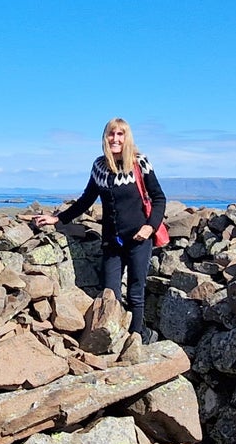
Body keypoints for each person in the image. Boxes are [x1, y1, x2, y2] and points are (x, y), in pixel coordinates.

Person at [34, 118, 166, 343]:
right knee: (110, 294)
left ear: (127, 138)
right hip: (112, 241)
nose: (115, 139)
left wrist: (149, 227)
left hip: (139, 239)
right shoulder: (99, 166)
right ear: (105, 138)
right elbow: (86, 200)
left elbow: (159, 198)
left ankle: (137, 338)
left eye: (120, 135)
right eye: (111, 134)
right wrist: (57, 219)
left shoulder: (140, 163)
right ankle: (114, 338)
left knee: (136, 292)